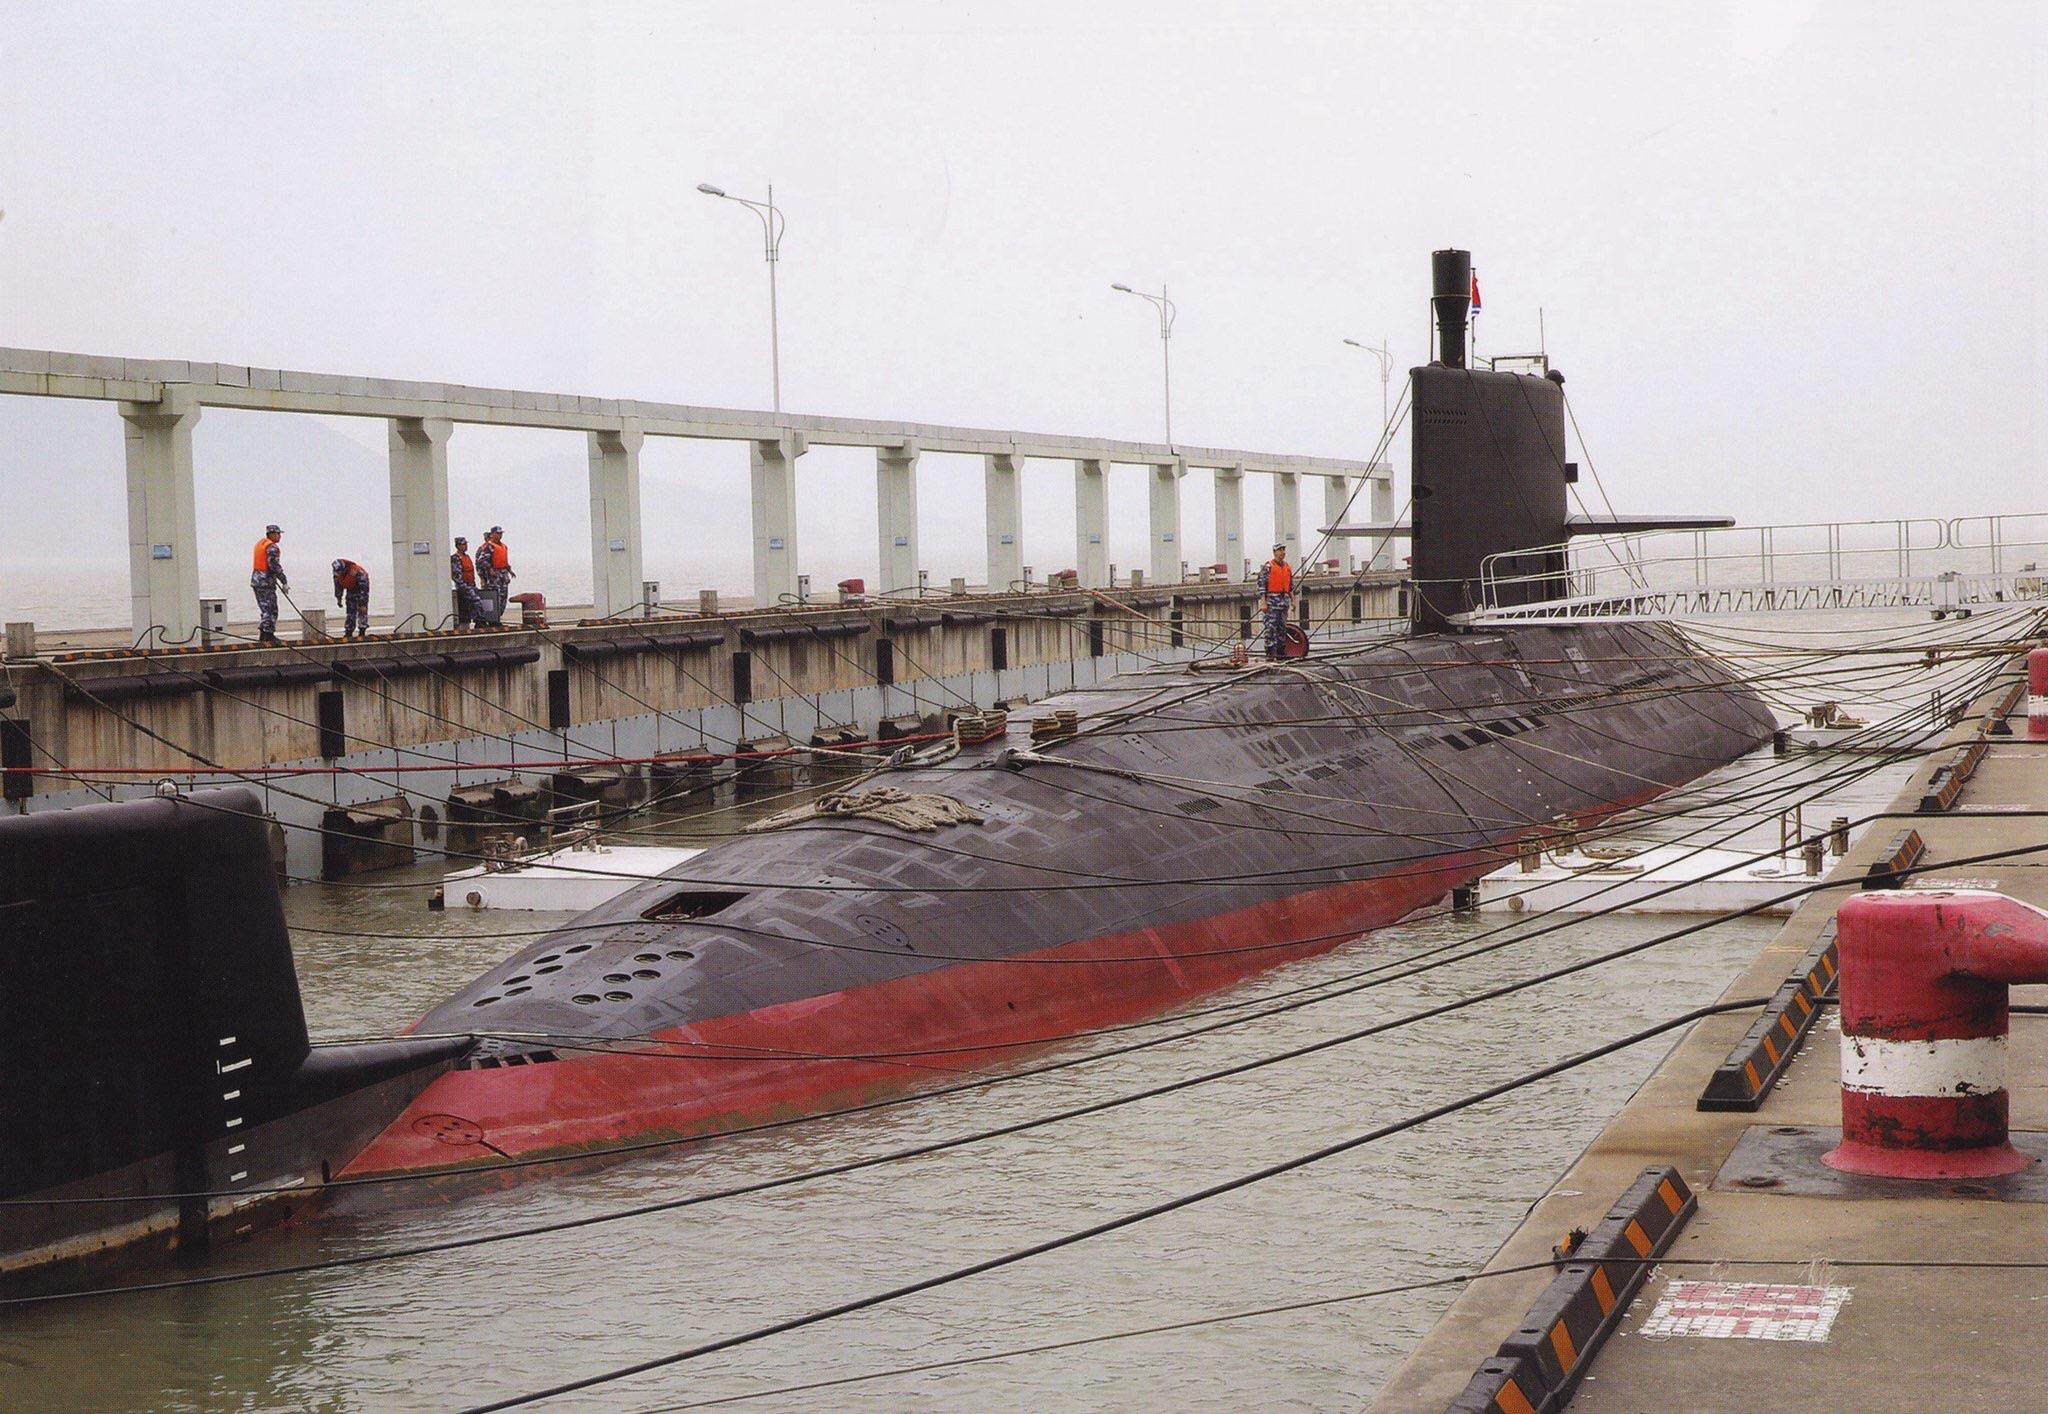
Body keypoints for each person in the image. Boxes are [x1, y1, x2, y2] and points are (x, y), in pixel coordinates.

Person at [250, 524, 288, 645]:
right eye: (278, 534)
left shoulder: (260, 544)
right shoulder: (272, 548)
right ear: (272, 534)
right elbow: (274, 566)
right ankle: (268, 635)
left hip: (256, 581)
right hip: (266, 582)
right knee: (271, 609)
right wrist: (284, 581)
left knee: (264, 608)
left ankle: (263, 635)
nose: (280, 536)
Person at [1256, 541, 1293, 660]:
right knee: (1271, 628)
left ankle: (1281, 653)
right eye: (1280, 550)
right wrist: (1263, 602)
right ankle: (1270, 653)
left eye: (1283, 550)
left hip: (1283, 602)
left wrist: (1293, 601)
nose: (1283, 552)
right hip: (1272, 602)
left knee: (1282, 628)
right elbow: (1261, 586)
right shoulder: (1268, 567)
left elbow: (1290, 587)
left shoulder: (1287, 567)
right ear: (1274, 552)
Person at [478, 526, 514, 625]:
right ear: (492, 534)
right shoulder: (489, 547)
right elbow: (481, 561)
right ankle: (493, 620)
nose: (500, 535)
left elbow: (504, 561)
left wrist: (510, 570)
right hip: (494, 577)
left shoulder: (504, 546)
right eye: (498, 533)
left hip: (503, 575)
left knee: (503, 597)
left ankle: (498, 617)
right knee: (495, 597)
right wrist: (489, 569)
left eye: (501, 533)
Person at [330, 557, 371, 641]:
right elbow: (337, 585)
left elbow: (364, 587)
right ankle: (348, 631)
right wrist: (339, 598)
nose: (338, 573)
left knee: (362, 611)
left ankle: (362, 630)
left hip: (360, 590)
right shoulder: (337, 573)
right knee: (350, 612)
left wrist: (363, 602)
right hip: (350, 590)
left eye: (340, 571)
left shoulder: (357, 571)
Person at [450, 536, 482, 629]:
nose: (465, 546)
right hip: (464, 586)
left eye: (466, 544)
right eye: (463, 544)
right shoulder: (456, 558)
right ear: (458, 546)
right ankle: (479, 621)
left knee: (472, 605)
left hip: (471, 585)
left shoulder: (466, 557)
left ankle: (478, 622)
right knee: (476, 602)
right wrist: (464, 586)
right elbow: (456, 575)